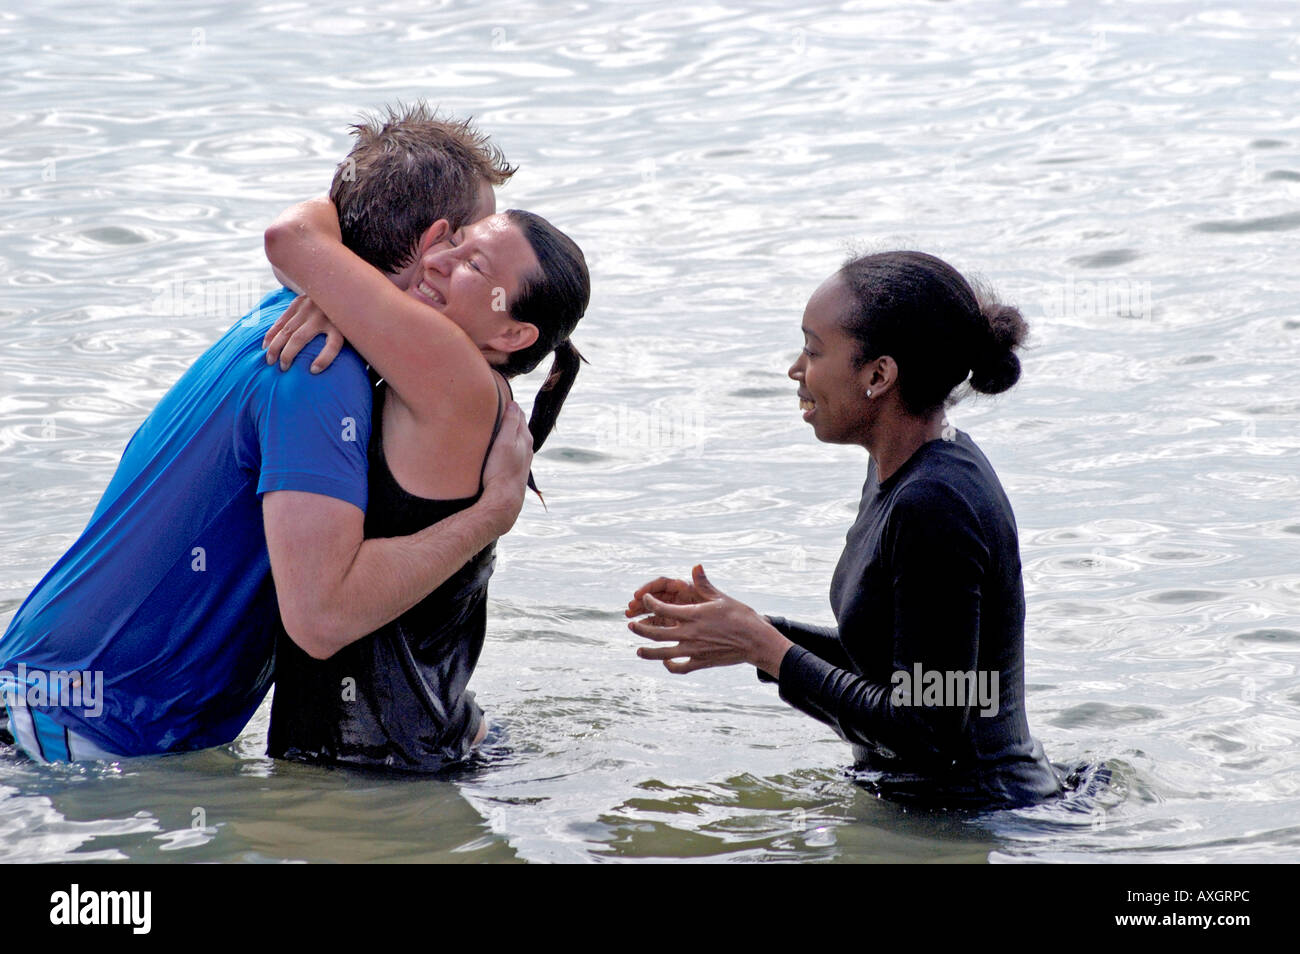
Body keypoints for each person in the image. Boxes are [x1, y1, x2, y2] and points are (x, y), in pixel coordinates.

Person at [0, 105, 533, 762]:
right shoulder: (316, 366)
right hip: (66, 739)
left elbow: (309, 233)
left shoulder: (291, 313)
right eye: (475, 250)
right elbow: (323, 616)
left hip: (53, 709)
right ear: (437, 247)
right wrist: (490, 517)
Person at [626, 251, 1063, 810]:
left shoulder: (935, 504)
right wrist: (749, 631)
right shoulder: (907, 468)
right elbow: (903, 670)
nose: (795, 369)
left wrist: (768, 649)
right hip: (938, 808)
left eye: (813, 350)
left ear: (879, 375)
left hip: (974, 818)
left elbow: (928, 733)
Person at [259, 200, 588, 771]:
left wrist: (339, 293)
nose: (437, 260)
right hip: (427, 743)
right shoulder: (455, 379)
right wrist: (337, 301)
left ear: (513, 333)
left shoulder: (453, 371)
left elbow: (291, 236)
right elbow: (308, 261)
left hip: (384, 773)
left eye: (475, 266)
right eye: (454, 239)